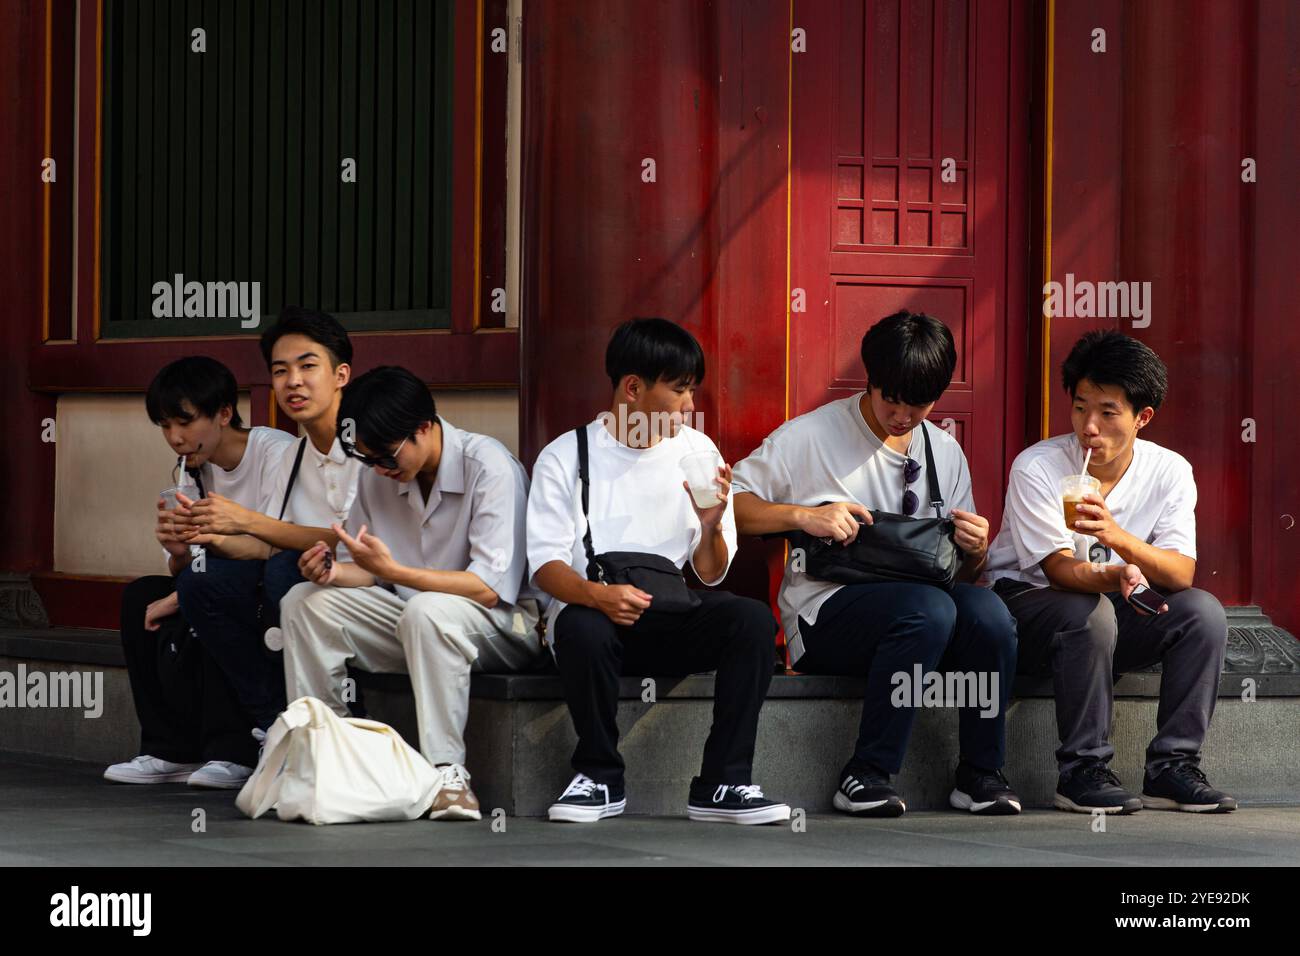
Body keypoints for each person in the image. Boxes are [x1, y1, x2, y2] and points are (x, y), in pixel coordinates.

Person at [732, 310, 1021, 817]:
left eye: (921, 404)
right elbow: (729, 505)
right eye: (892, 399)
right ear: (871, 379)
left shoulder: (944, 452)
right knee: (929, 609)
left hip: (922, 613)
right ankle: (866, 773)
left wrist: (974, 550)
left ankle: (981, 773)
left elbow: (959, 577)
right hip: (824, 616)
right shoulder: (811, 436)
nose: (903, 416)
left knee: (990, 614)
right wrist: (805, 515)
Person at [527, 317, 790, 825]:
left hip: (670, 612)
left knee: (750, 621)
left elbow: (710, 575)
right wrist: (596, 596)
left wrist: (712, 527)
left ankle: (724, 782)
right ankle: (599, 778)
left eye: (693, 390)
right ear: (632, 387)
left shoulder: (697, 453)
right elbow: (545, 565)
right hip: (597, 619)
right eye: (680, 390)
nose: (691, 406)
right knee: (580, 624)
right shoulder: (568, 456)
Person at [985, 329, 1236, 814]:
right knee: (1089, 611)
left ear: (1142, 417)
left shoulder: (1170, 471)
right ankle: (1082, 770)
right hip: (1028, 609)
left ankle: (1172, 768)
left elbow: (1181, 572)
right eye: (1080, 407)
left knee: (1201, 613)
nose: (1089, 426)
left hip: (1114, 606)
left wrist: (1118, 539)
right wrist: (1117, 575)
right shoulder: (1038, 467)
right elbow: (1057, 570)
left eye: (1107, 412)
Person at [279, 366, 544, 821]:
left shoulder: (490, 466)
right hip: (415, 619)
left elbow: (485, 588)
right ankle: (325, 756)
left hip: (503, 628)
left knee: (427, 611)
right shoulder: (377, 474)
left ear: (424, 427)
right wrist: (330, 573)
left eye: (386, 455)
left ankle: (448, 775)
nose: (379, 468)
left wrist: (395, 570)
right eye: (367, 459)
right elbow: (376, 575)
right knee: (302, 602)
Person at [105, 356, 294, 788]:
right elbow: (187, 564)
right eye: (165, 426)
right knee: (140, 597)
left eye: (185, 423)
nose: (175, 437)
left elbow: (278, 544)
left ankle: (235, 750)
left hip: (269, 581)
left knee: (205, 590)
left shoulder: (274, 453)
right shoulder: (191, 469)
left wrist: (183, 585)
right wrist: (176, 553)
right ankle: (168, 748)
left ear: (224, 413)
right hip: (209, 578)